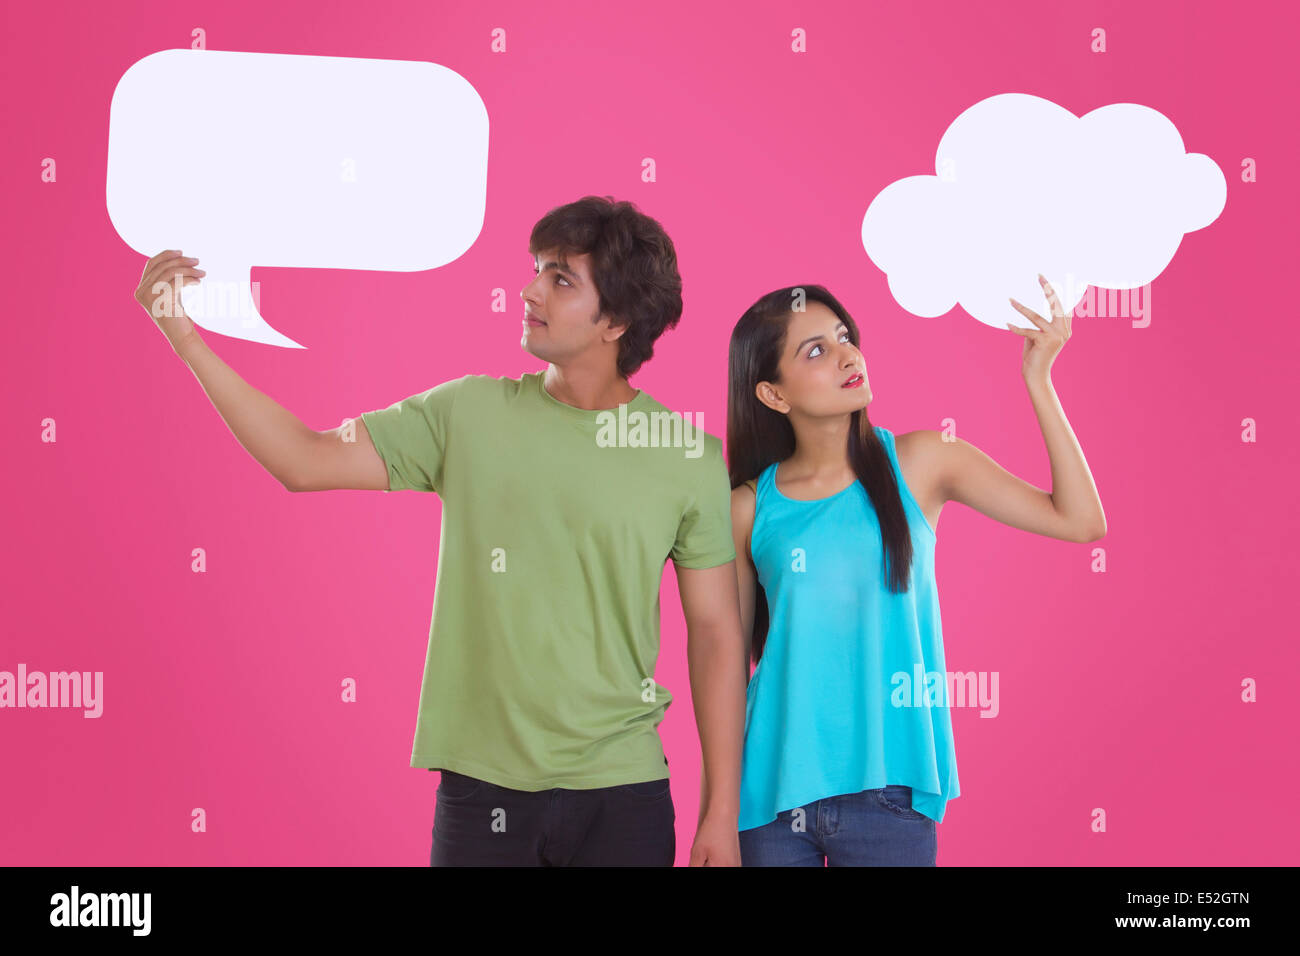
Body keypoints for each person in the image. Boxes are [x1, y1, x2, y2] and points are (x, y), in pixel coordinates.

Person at [134, 196, 747, 867]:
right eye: (537, 269)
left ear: (617, 321)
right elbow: (304, 458)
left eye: (560, 279)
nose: (529, 290)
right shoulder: (467, 413)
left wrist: (719, 813)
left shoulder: (687, 456)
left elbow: (716, 636)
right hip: (481, 790)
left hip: (623, 792)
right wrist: (185, 339)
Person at [722, 279, 1105, 866]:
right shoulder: (750, 506)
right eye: (817, 350)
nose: (849, 355)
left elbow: (1080, 520)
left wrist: (1039, 378)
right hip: (770, 800)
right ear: (773, 394)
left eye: (845, 338)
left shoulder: (923, 462)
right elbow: (727, 669)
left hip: (888, 794)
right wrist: (715, 812)